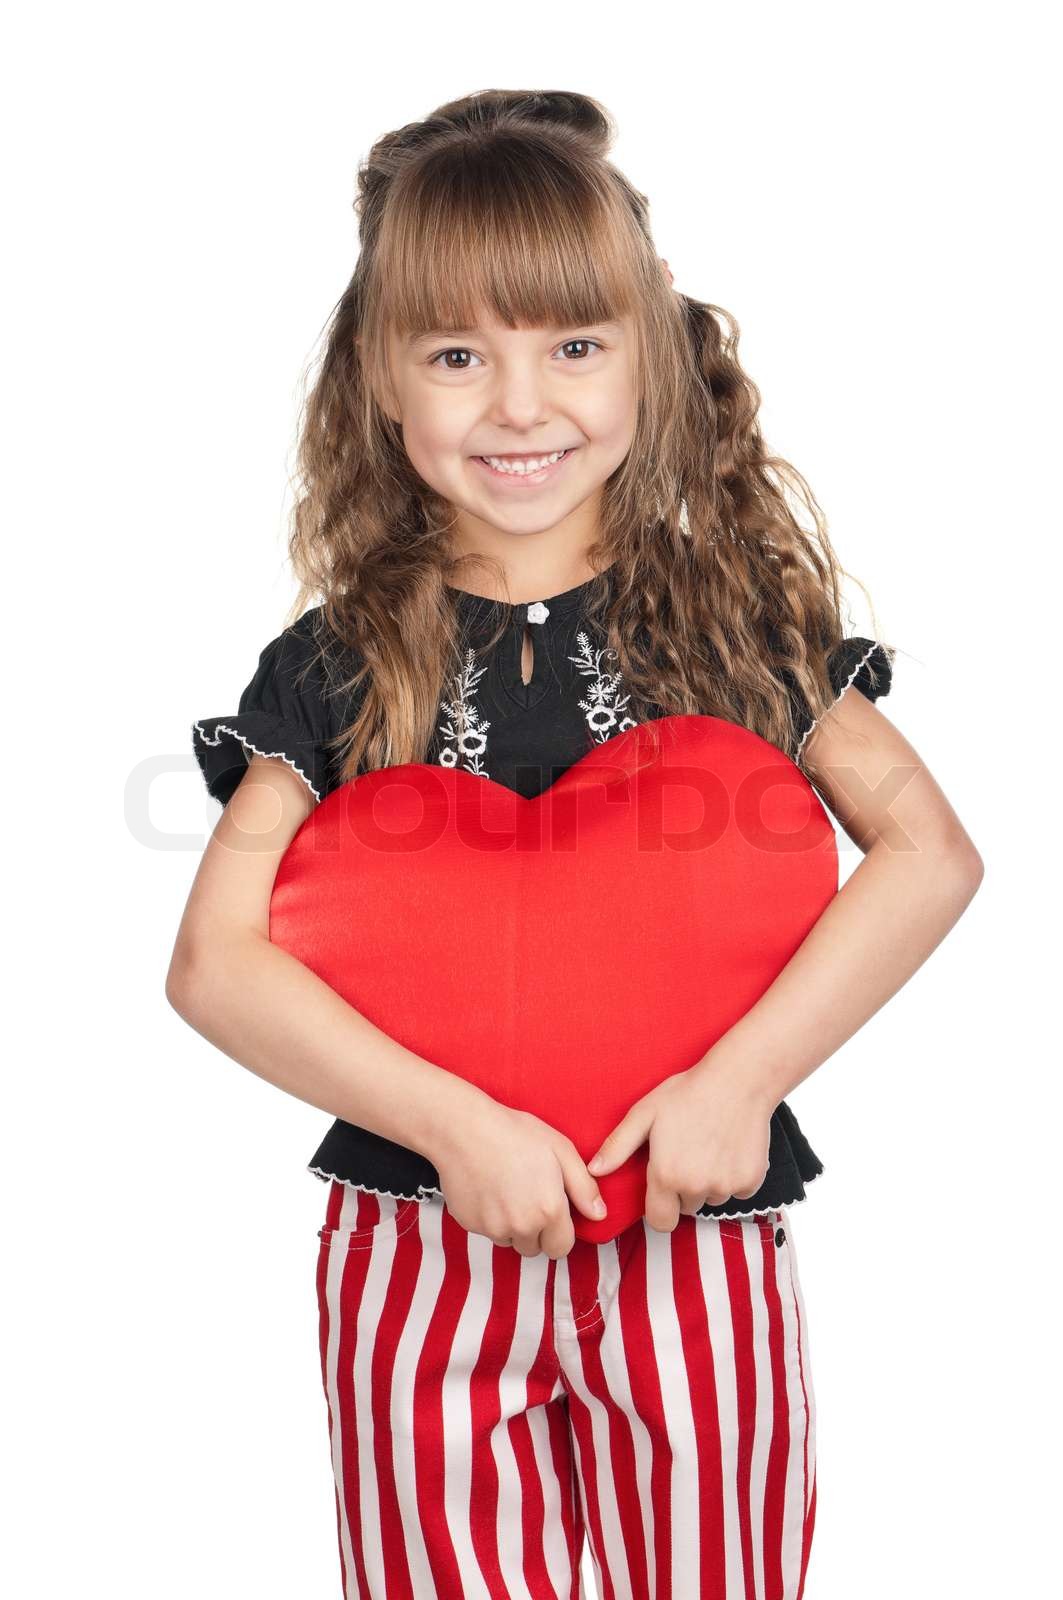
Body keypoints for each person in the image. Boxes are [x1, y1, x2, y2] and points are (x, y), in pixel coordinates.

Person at [168, 88, 983, 1600]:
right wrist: (456, 1126)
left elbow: (928, 854)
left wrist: (740, 1081)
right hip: (420, 1249)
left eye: (574, 347)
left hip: (695, 1229)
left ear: (651, 357)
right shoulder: (339, 659)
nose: (520, 406)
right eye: (459, 355)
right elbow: (217, 965)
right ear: (380, 382)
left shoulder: (739, 622)